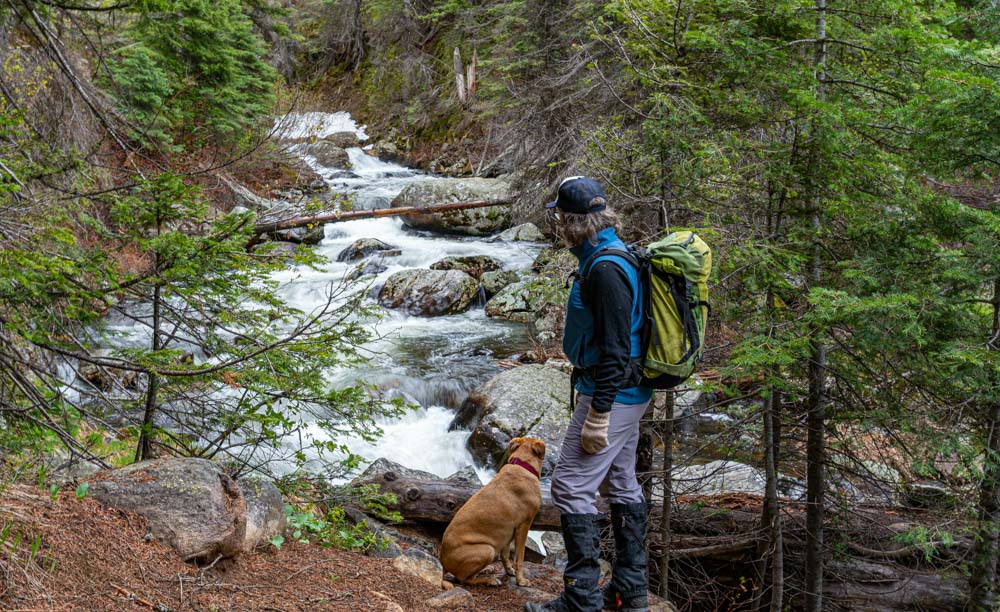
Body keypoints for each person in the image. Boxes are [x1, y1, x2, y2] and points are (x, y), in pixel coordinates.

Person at [524, 177, 653, 612]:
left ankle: (581, 599)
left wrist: (598, 411)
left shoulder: (606, 269)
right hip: (628, 393)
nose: (558, 224)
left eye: (560, 217)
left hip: (613, 393)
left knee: (570, 486)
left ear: (573, 220)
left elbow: (617, 347)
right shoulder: (611, 255)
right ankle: (630, 592)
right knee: (620, 483)